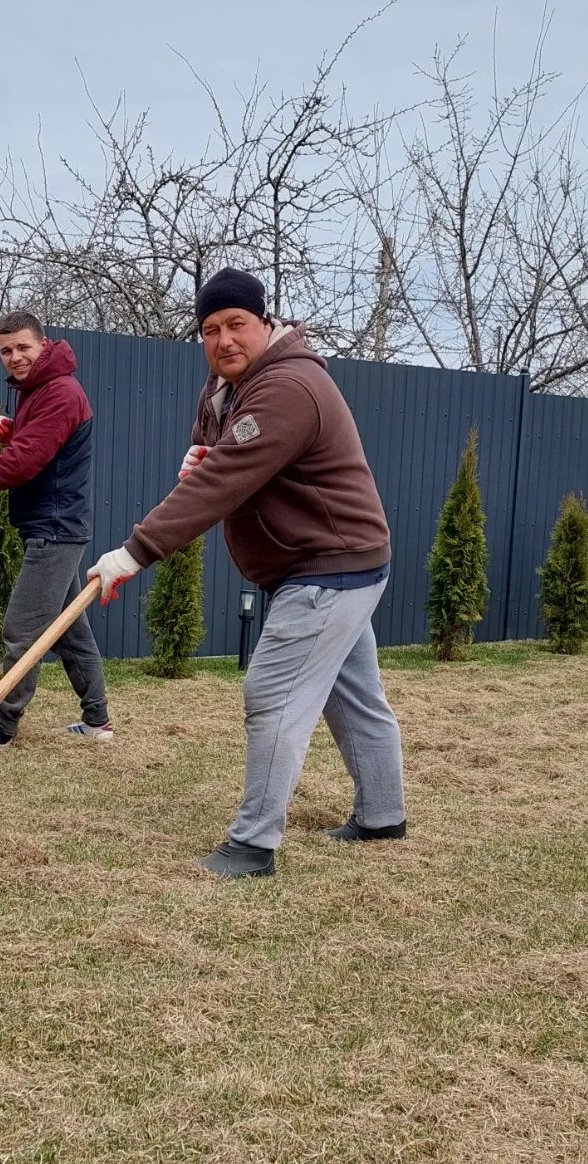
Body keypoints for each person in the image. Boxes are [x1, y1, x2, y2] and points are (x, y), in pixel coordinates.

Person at [88, 268, 405, 877]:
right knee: (354, 695)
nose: (223, 339)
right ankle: (382, 818)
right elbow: (225, 459)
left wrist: (135, 552)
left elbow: (224, 480)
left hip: (328, 567)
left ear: (266, 323)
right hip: (331, 561)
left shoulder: (288, 386)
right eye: (210, 329)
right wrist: (207, 453)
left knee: (274, 693)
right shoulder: (227, 386)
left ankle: (254, 845)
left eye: (236, 324)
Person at [0, 310, 112, 747]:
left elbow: (29, 459)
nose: (15, 357)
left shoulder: (60, 391)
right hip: (55, 523)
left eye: (23, 348)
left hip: (55, 527)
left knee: (23, 630)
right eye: (6, 351)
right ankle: (98, 722)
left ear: (43, 343)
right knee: (71, 630)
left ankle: (3, 728)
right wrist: (12, 426)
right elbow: (40, 439)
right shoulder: (40, 389)